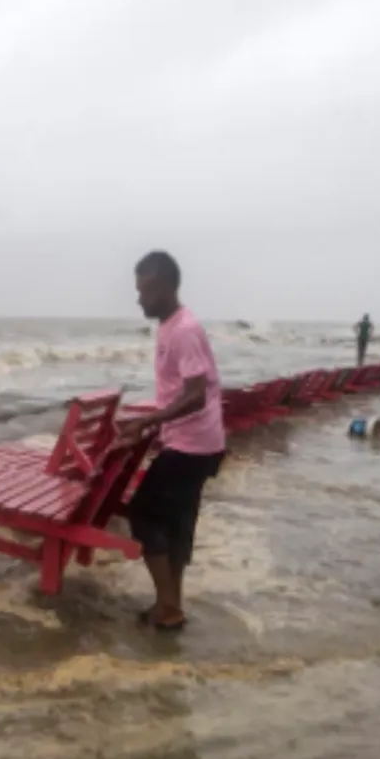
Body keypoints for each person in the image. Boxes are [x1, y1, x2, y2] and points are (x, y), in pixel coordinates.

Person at [119, 251, 226, 632]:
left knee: (143, 513)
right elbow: (178, 391)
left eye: (145, 290)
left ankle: (167, 607)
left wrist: (150, 420)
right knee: (176, 524)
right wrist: (152, 425)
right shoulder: (171, 326)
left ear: (165, 286)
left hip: (193, 445)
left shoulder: (183, 330)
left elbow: (196, 394)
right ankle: (170, 605)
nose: (139, 299)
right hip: (197, 441)